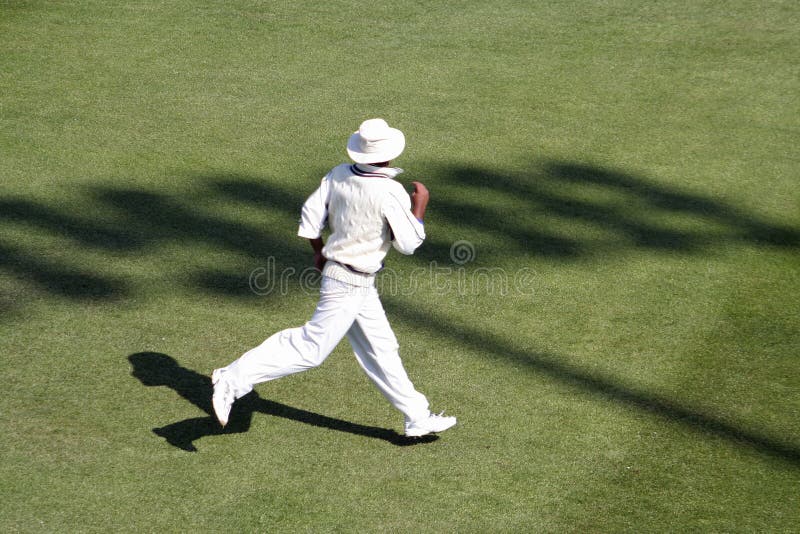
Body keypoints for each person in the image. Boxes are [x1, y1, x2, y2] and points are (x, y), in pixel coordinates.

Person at [211, 118, 456, 438]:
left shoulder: (339, 174)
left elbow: (311, 216)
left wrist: (318, 251)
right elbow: (409, 244)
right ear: (389, 155)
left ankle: (417, 417)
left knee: (382, 348)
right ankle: (232, 378)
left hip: (350, 279)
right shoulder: (391, 191)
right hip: (349, 282)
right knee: (311, 348)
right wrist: (420, 207)